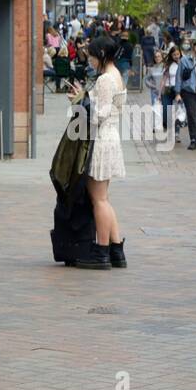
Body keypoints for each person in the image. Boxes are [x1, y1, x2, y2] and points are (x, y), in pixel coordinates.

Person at [66, 35, 126, 269]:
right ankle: (116, 249)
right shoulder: (117, 75)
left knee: (98, 199)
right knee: (104, 198)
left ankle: (101, 252)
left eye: (90, 56)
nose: (89, 60)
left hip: (100, 139)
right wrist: (84, 97)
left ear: (100, 54)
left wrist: (78, 103)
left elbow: (97, 116)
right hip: (111, 137)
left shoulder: (104, 79)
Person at [160, 44, 182, 132]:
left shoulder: (184, 63)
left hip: (179, 90)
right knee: (166, 110)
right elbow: (164, 79)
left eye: (177, 54)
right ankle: (168, 126)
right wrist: (159, 93)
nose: (176, 56)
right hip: (168, 89)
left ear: (180, 54)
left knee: (177, 112)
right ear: (171, 55)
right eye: (174, 55)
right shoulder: (168, 65)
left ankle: (176, 132)